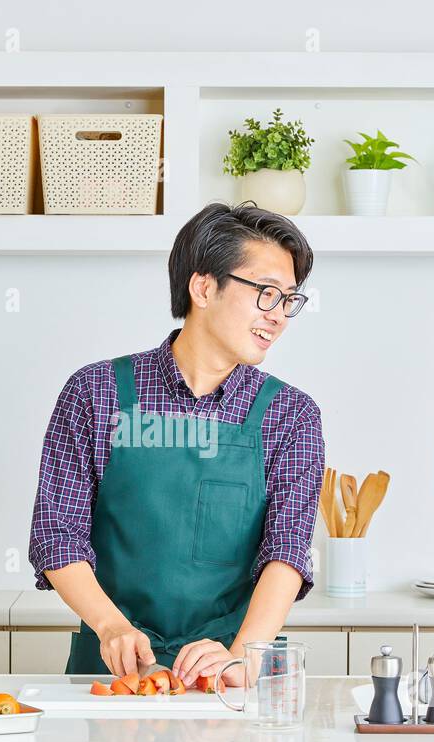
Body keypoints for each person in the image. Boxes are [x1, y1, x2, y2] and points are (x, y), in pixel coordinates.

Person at [28, 202, 324, 686]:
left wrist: (242, 659)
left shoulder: (291, 415)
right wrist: (112, 628)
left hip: (231, 672)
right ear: (204, 287)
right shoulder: (96, 392)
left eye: (289, 300)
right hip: (113, 669)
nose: (280, 316)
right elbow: (57, 535)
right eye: (266, 294)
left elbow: (287, 550)